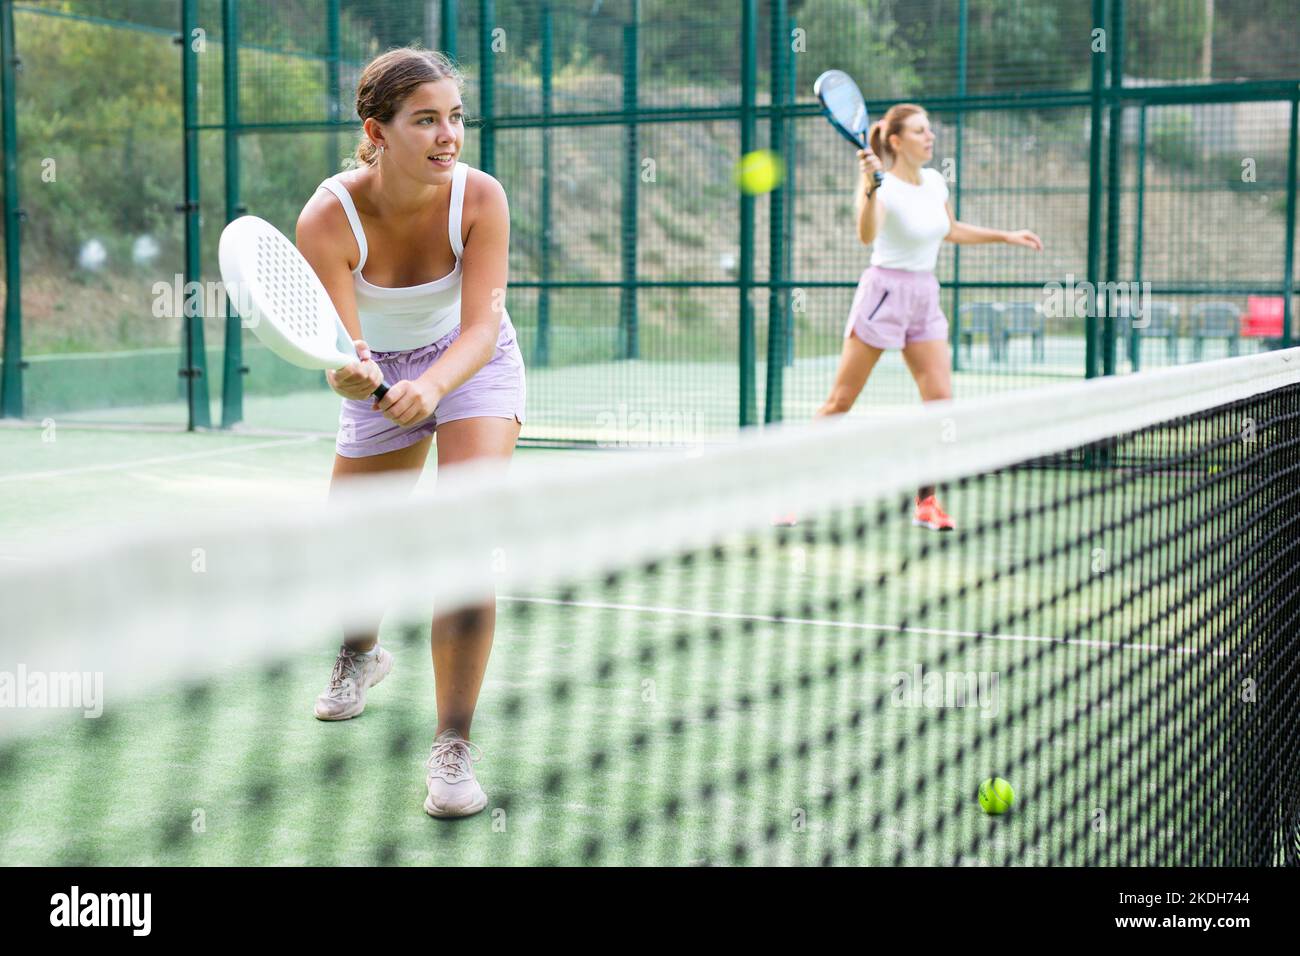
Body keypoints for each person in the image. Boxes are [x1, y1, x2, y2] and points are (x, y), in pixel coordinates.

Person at [295, 48, 525, 819]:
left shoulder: (480, 199)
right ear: (378, 130)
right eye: (426, 119)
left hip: (474, 363)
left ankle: (452, 745)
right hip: (380, 370)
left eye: (455, 117)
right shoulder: (329, 216)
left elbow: (483, 328)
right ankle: (360, 652)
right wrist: (351, 372)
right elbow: (340, 350)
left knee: (466, 532)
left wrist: (431, 386)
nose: (448, 135)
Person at [817, 103, 1042, 530]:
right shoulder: (881, 186)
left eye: (929, 130)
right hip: (883, 293)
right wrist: (869, 184)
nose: (930, 137)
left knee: (940, 405)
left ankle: (926, 502)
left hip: (924, 295)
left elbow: (950, 230)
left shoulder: (936, 182)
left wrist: (1006, 236)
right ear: (897, 142)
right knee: (840, 402)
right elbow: (867, 234)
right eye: (920, 131)